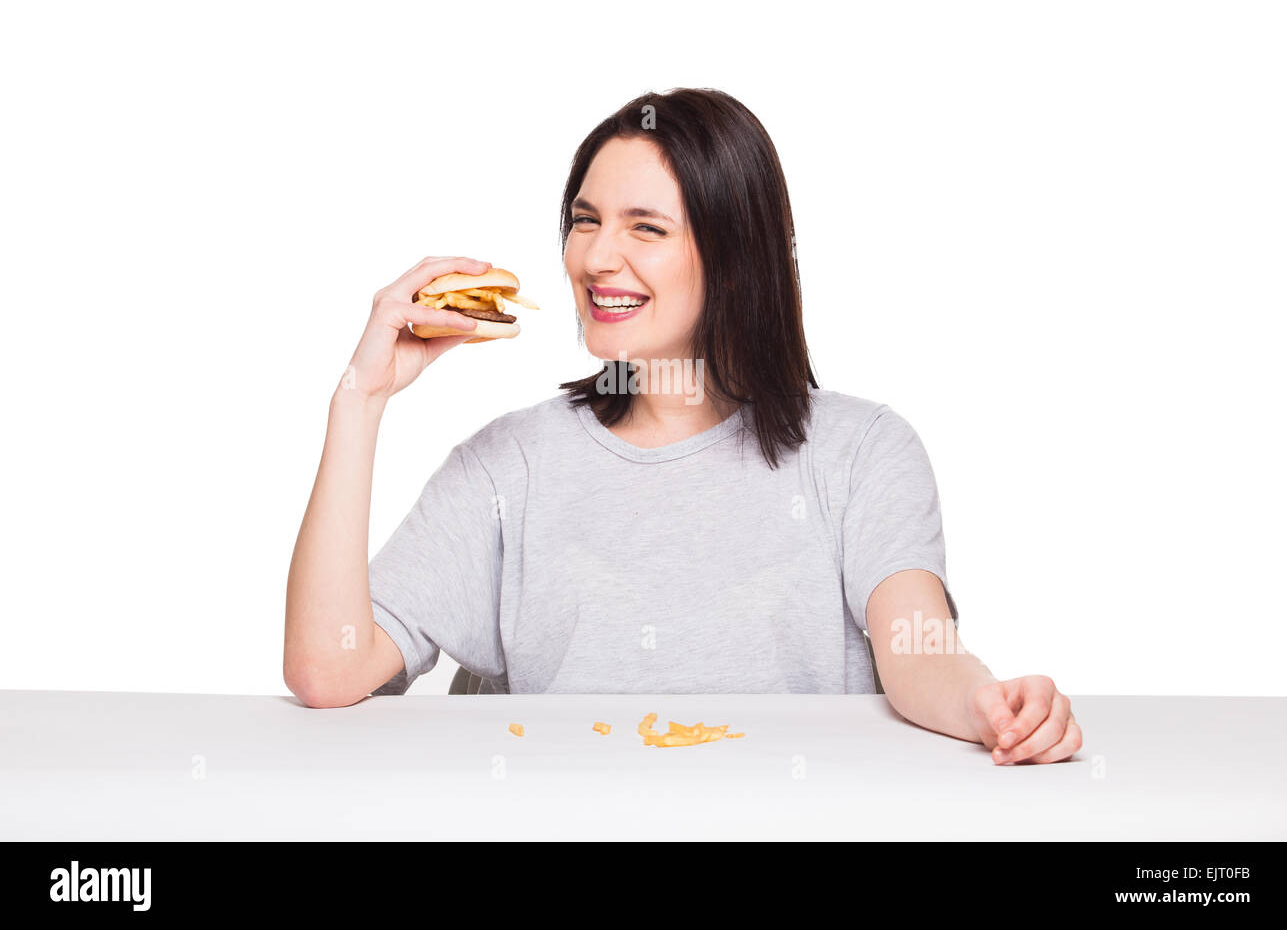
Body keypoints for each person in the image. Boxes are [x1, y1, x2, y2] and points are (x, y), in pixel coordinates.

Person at [285, 88, 1082, 765]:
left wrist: (989, 704)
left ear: (735, 256)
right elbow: (327, 670)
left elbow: (917, 652)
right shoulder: (509, 466)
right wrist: (360, 398)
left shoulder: (863, 453)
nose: (597, 257)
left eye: (646, 227)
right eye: (585, 219)